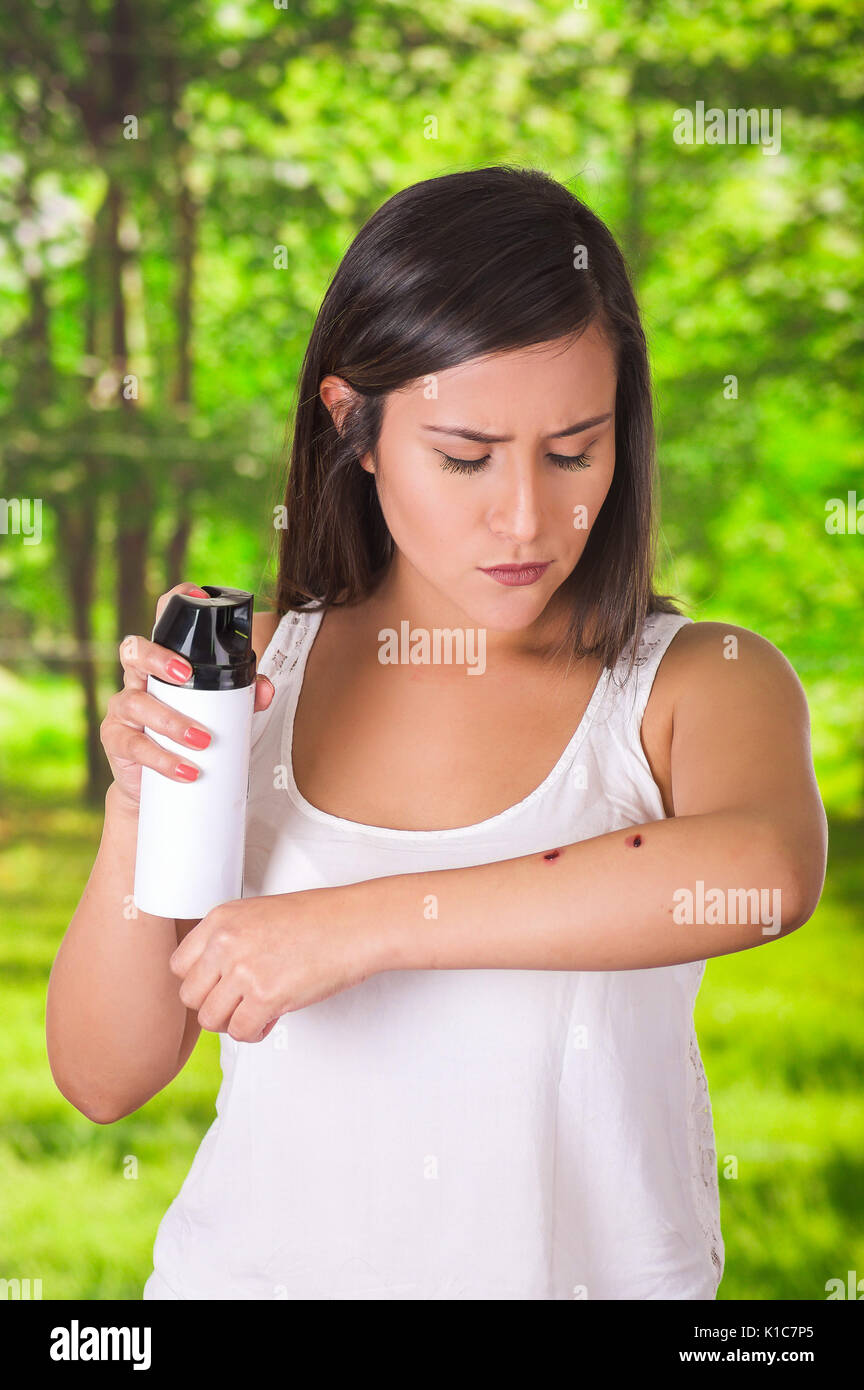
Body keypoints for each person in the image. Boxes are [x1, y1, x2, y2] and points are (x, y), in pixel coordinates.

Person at [47, 166, 827, 1301]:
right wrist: (139, 804)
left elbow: (761, 876)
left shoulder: (696, 683)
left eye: (574, 451)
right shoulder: (253, 673)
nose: (526, 516)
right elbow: (104, 1078)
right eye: (465, 455)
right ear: (351, 426)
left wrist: (360, 927)